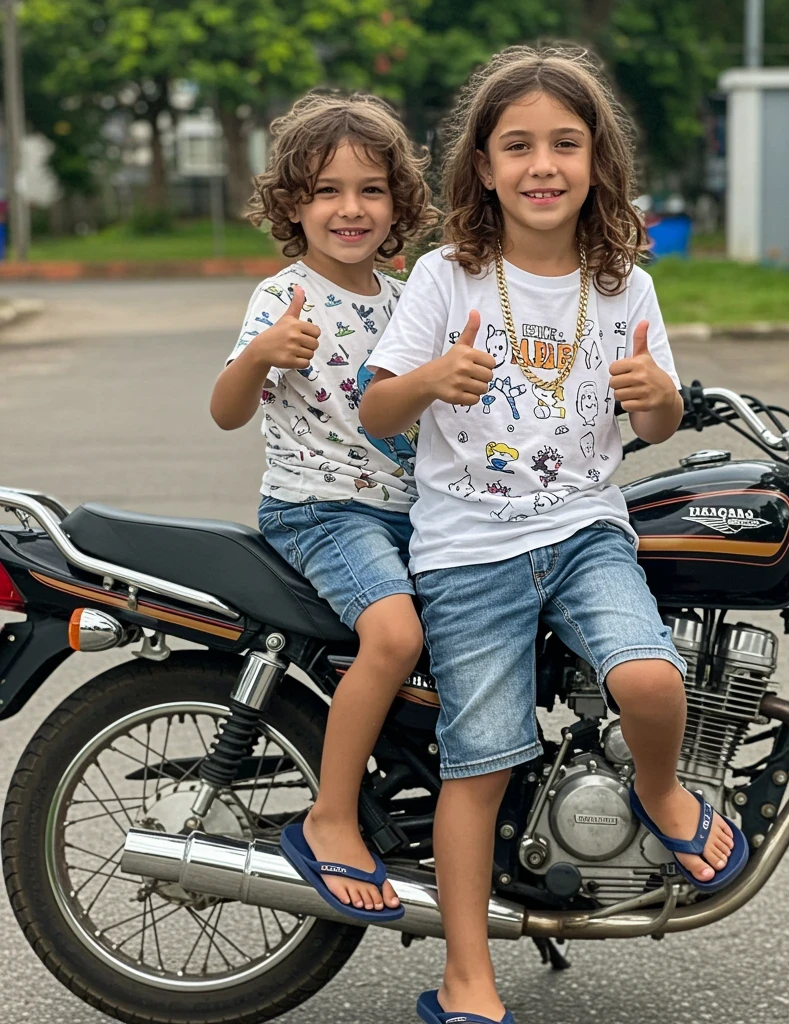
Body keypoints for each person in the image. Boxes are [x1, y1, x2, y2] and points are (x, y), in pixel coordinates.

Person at [360, 46, 749, 1024]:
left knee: (653, 679)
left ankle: (660, 797)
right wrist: (426, 384)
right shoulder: (450, 276)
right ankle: (464, 972)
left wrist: (660, 400)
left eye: (565, 144)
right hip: (468, 546)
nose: (544, 163)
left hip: (584, 528)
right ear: (483, 167)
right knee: (479, 761)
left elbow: (653, 422)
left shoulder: (624, 285)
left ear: (596, 161)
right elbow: (376, 409)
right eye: (519, 144)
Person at [210, 90, 438, 923]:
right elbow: (229, 411)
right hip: (323, 510)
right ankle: (331, 815)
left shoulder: (411, 292)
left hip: (413, 509)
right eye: (325, 190)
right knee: (395, 633)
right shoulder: (283, 299)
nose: (350, 209)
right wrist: (261, 355)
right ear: (292, 205)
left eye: (370, 189)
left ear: (397, 202)